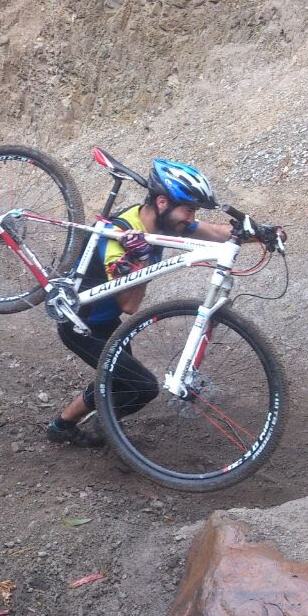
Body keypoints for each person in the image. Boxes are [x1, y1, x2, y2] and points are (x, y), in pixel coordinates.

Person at [45, 159, 236, 448]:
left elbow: (212, 231)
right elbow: (130, 305)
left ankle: (63, 426)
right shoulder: (121, 235)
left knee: (120, 378)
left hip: (105, 322)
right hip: (81, 325)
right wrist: (142, 258)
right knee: (142, 386)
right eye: (189, 209)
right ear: (162, 202)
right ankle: (103, 425)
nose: (191, 217)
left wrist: (255, 232)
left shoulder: (158, 221)